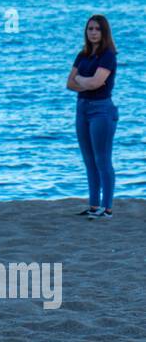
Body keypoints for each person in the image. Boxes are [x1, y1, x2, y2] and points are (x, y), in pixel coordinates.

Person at [66, 14, 118, 218]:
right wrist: (83, 81)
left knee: (102, 160)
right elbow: (69, 84)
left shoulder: (108, 55)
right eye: (90, 29)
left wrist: (80, 79)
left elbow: (96, 83)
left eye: (97, 29)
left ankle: (108, 209)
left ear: (104, 32)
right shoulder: (83, 55)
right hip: (82, 109)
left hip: (101, 110)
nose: (93, 32)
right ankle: (94, 205)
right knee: (89, 160)